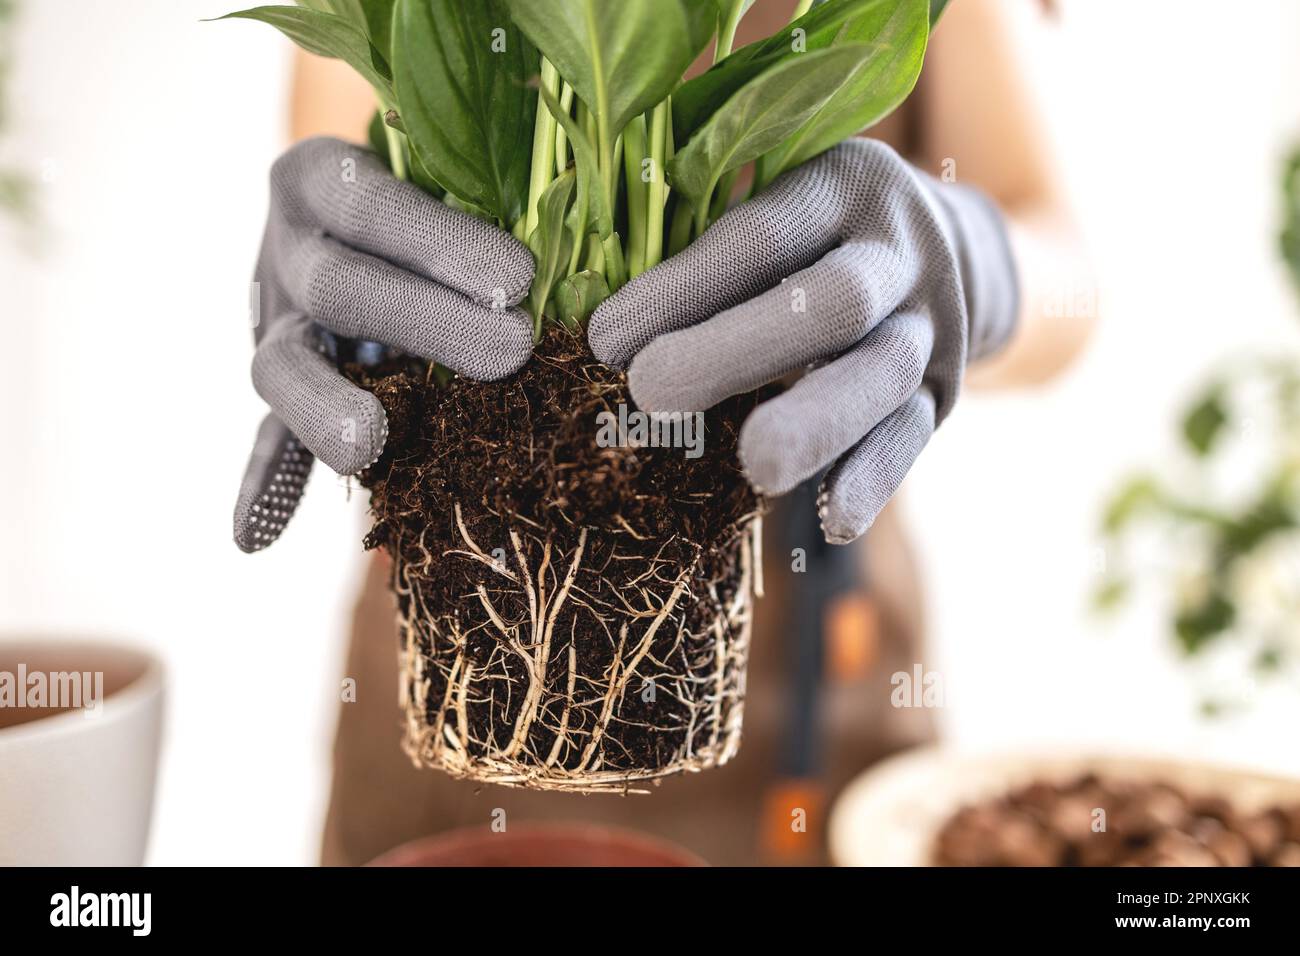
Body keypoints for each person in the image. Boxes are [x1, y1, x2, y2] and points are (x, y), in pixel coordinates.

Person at [234, 0, 1095, 865]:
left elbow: (1066, 270)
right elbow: (369, 118)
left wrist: (964, 256)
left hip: (804, 662)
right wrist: (333, 270)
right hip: (467, 633)